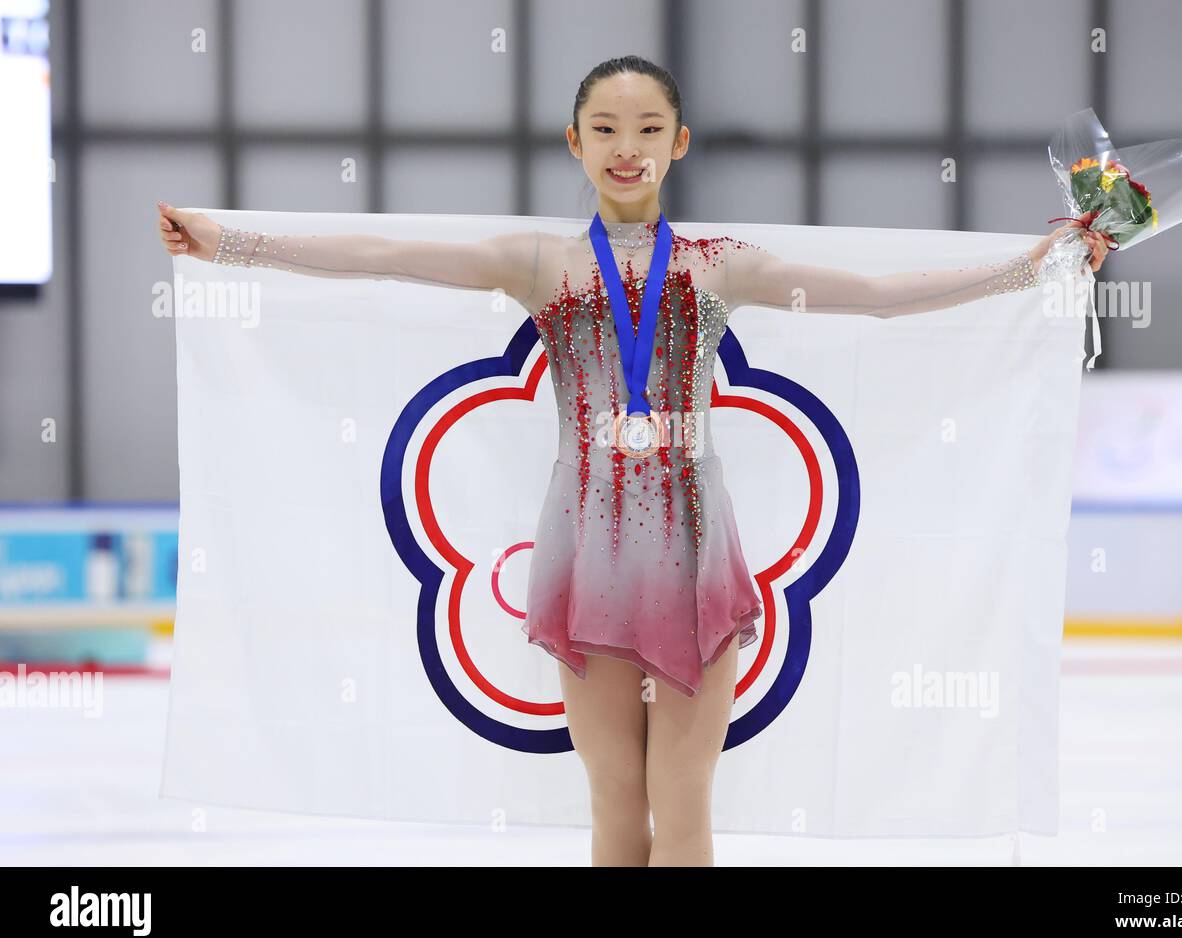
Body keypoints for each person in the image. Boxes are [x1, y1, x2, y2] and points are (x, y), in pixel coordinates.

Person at [156, 54, 1110, 867]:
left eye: (648, 128)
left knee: (684, 803)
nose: (626, 146)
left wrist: (1037, 266)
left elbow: (879, 296)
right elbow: (381, 258)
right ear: (574, 142)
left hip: (695, 550)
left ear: (678, 144)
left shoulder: (721, 261)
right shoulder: (539, 264)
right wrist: (229, 242)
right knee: (616, 805)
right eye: (604, 128)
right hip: (586, 555)